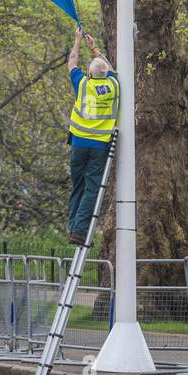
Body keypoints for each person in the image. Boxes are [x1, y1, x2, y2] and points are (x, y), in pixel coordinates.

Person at [65, 26, 119, 245]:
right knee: (92, 188)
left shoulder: (83, 84)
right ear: (106, 74)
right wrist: (94, 48)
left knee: (78, 186)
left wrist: (78, 41)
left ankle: (74, 228)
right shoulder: (114, 85)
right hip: (99, 146)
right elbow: (110, 67)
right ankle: (79, 230)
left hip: (78, 144)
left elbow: (71, 63)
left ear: (89, 73)